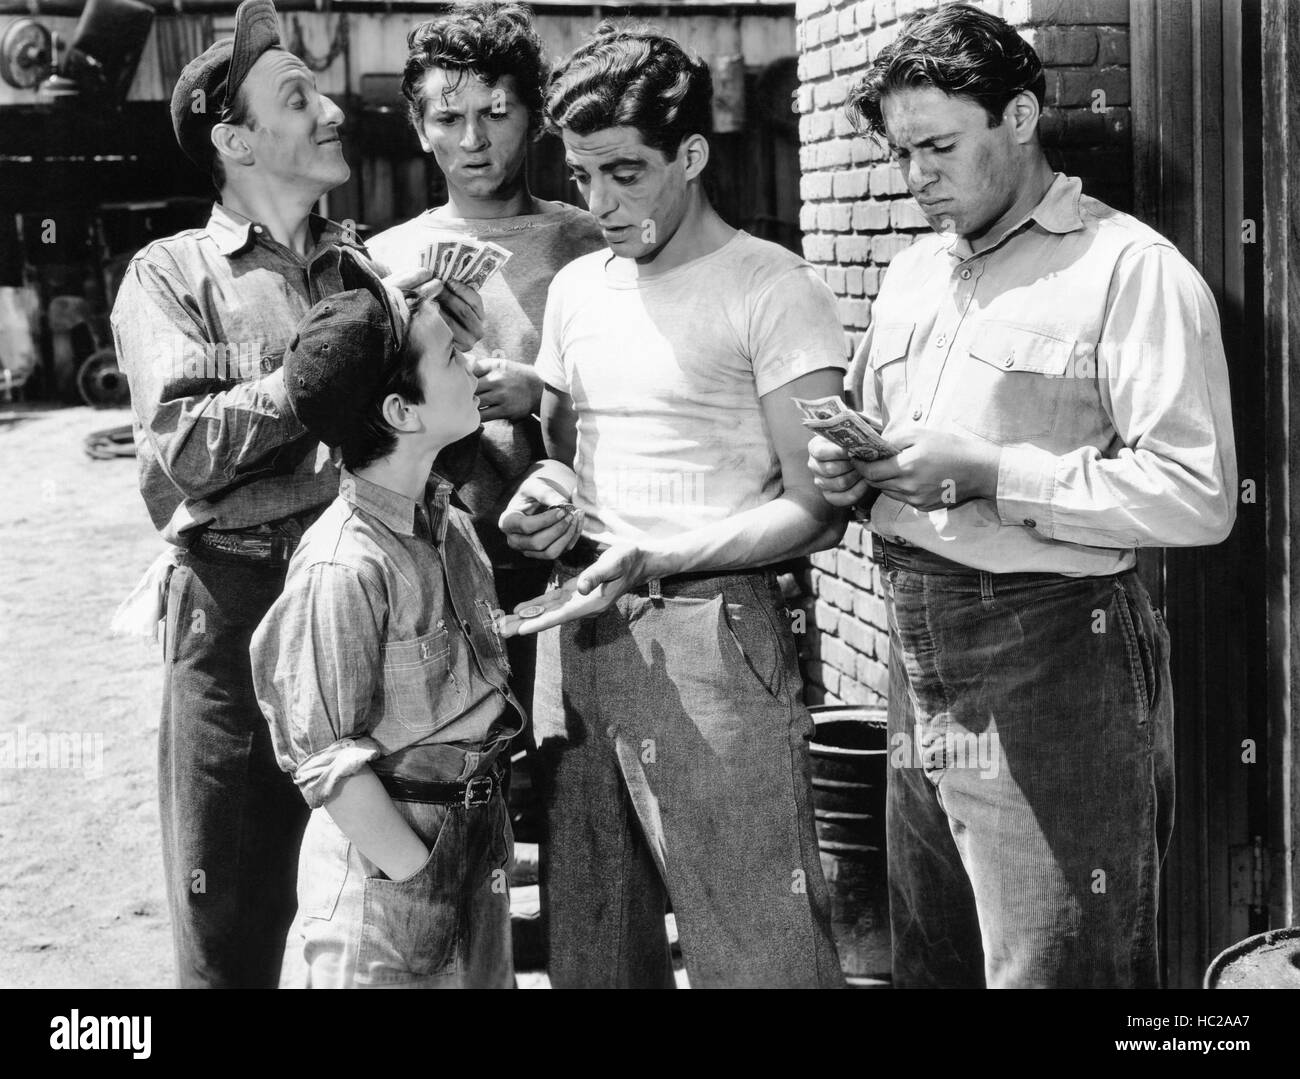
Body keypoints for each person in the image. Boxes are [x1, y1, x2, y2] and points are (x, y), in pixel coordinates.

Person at [807, 3, 1237, 988]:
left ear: (1020, 116)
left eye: (938, 146)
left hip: (1053, 649)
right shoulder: (913, 271)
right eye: (899, 152)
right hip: (912, 642)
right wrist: (852, 474)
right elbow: (886, 436)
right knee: (935, 959)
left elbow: (1199, 493)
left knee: (1057, 965)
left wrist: (998, 472)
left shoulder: (1130, 271)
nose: (916, 176)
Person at [109, 0, 482, 988]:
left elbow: (409, 432)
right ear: (234, 141)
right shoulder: (172, 274)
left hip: (371, 605)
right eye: (297, 97)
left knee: (390, 908)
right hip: (235, 608)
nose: (332, 111)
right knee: (231, 921)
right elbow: (185, 447)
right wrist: (310, 379)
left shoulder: (362, 268)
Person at [497, 24, 848, 989]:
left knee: (756, 950)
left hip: (716, 629)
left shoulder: (773, 287)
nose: (600, 203)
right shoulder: (577, 288)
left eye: (626, 173)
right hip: (585, 625)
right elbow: (568, 458)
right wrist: (545, 498)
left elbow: (819, 509)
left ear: (690, 155)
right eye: (580, 176)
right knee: (594, 948)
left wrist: (659, 557)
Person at [250, 261, 524, 988]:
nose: (474, 366)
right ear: (402, 412)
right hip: (390, 874)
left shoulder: (446, 520)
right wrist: (416, 872)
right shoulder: (341, 564)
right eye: (453, 357)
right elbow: (323, 758)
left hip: (473, 839)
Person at [367, 1, 606, 718]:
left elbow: (652, 395)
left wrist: (542, 392)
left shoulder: (595, 239)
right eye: (447, 118)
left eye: (496, 113)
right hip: (432, 563)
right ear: (420, 129)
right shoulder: (383, 260)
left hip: (578, 553)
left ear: (534, 118)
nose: (472, 140)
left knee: (569, 761)